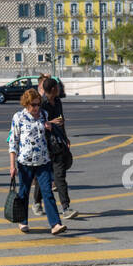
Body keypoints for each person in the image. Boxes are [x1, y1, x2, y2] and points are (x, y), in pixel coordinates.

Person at [8, 89, 66, 235]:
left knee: (47, 192)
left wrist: (50, 127)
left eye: (38, 104)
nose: (36, 108)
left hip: (43, 161)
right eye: (33, 105)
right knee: (24, 193)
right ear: (26, 104)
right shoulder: (18, 117)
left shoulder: (43, 115)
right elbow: (13, 142)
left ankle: (55, 224)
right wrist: (12, 165)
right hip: (25, 162)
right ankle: (23, 221)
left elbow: (47, 133)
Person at [30, 77, 76, 219]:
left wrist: (65, 136)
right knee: (44, 175)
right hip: (44, 145)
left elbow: (61, 121)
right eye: (57, 87)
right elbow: (33, 122)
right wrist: (49, 122)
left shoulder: (57, 102)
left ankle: (66, 207)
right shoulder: (41, 103)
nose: (59, 89)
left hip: (58, 143)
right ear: (52, 89)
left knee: (59, 176)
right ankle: (37, 202)